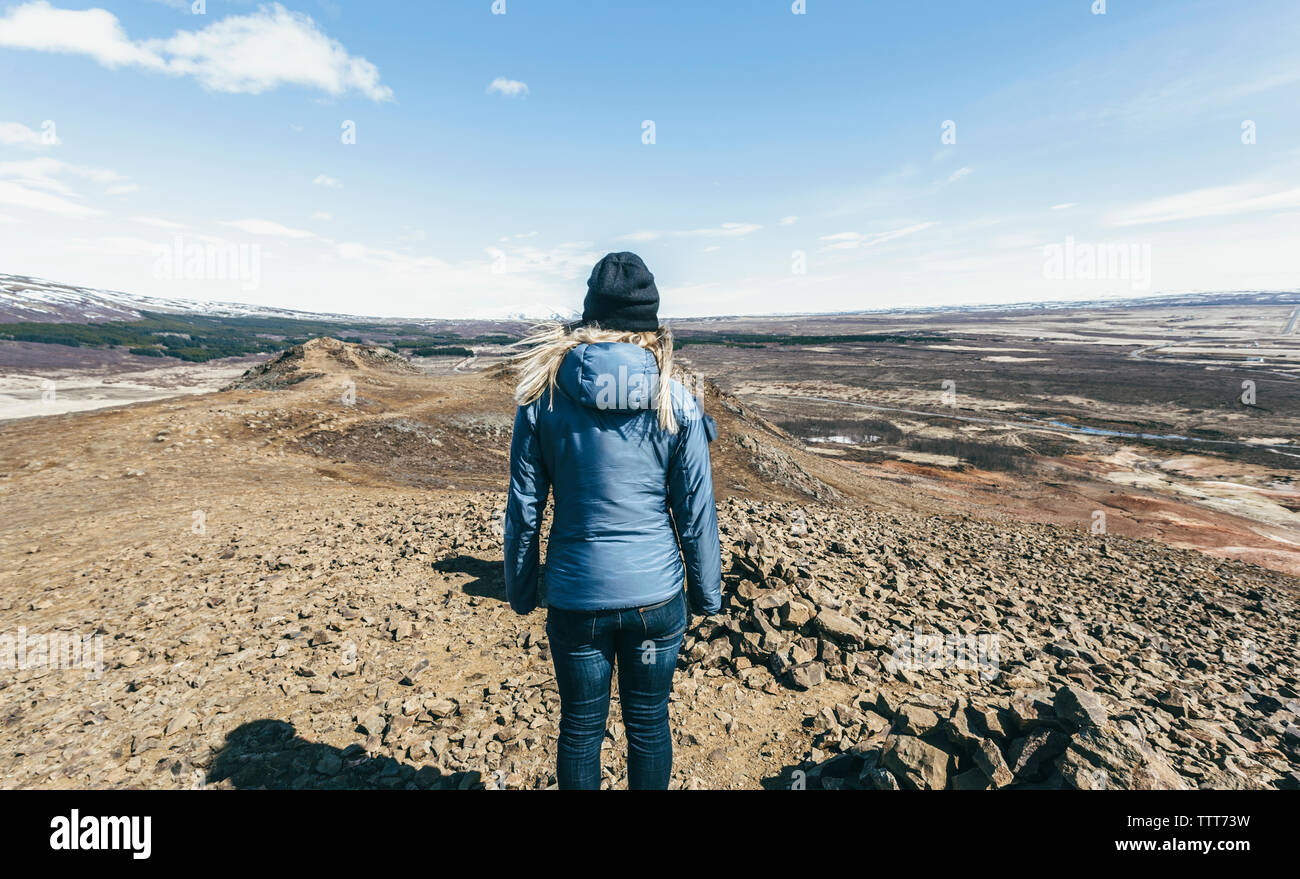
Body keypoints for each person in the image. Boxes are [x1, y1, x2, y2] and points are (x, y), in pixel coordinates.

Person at [503, 251, 722, 790]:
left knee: (580, 729)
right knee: (648, 723)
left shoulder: (541, 398)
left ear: (589, 319)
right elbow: (695, 511)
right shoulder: (678, 402)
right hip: (656, 599)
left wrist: (521, 587)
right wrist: (707, 593)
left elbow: (524, 508)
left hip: (577, 598)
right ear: (650, 326)